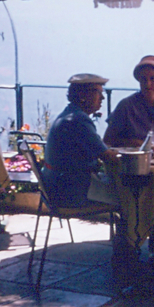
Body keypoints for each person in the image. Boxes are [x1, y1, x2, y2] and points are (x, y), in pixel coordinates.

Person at [42, 73, 119, 207]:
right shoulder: (78, 121)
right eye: (98, 92)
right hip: (71, 192)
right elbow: (107, 157)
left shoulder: (70, 114)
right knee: (129, 195)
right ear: (83, 95)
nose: (102, 98)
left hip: (56, 187)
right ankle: (135, 228)